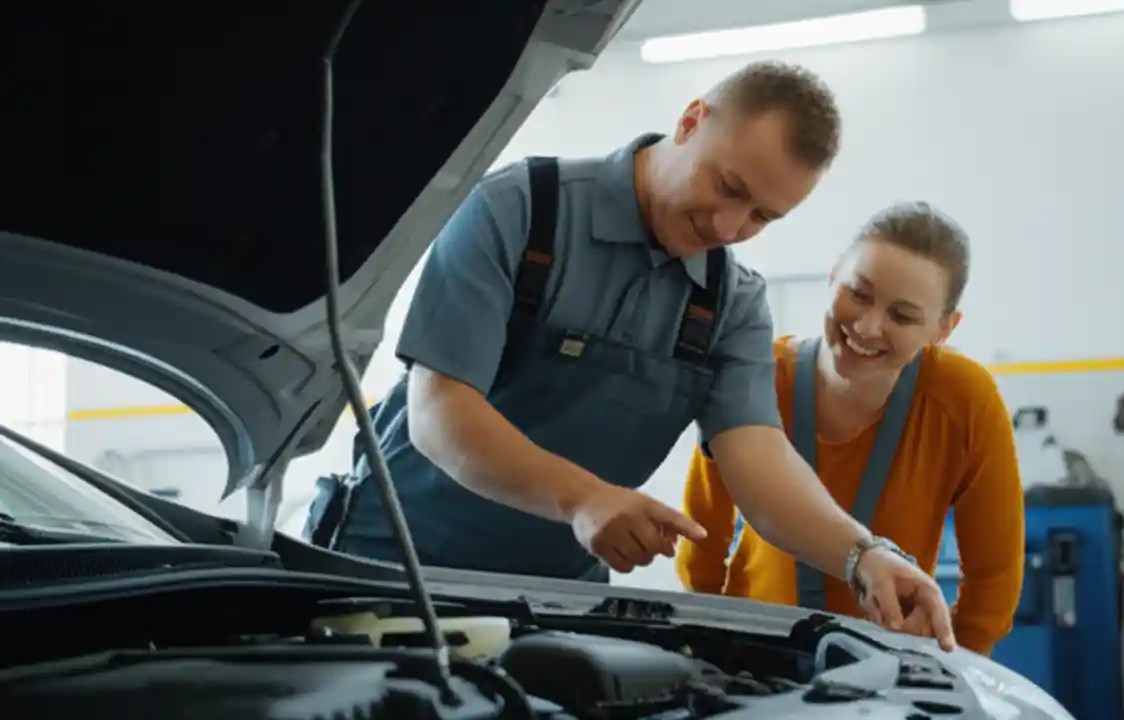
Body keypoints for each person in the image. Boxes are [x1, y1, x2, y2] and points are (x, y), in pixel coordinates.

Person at [308, 61, 957, 650]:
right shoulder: (519, 212)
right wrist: (584, 499)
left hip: (551, 607)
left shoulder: (733, 304)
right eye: (728, 187)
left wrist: (862, 555)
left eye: (763, 216)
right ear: (690, 121)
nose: (730, 229)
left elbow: (758, 460)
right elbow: (438, 412)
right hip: (385, 577)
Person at [676, 201, 1024, 655]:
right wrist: (707, 644)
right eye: (858, 293)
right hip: (754, 652)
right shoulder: (762, 374)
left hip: (889, 663)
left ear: (944, 328)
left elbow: (994, 579)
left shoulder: (964, 400)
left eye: (902, 316)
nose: (868, 325)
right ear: (834, 274)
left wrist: (950, 669)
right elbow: (702, 534)